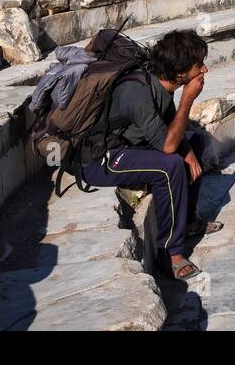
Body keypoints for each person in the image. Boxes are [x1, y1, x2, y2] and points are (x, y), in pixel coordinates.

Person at [76, 28, 222, 281]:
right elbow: (166, 147)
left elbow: (169, 128)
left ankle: (187, 223)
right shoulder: (137, 91)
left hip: (132, 146)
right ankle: (170, 253)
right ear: (179, 73)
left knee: (193, 143)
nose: (205, 70)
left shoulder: (162, 85)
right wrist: (188, 100)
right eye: (199, 65)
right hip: (102, 158)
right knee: (170, 165)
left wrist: (188, 150)